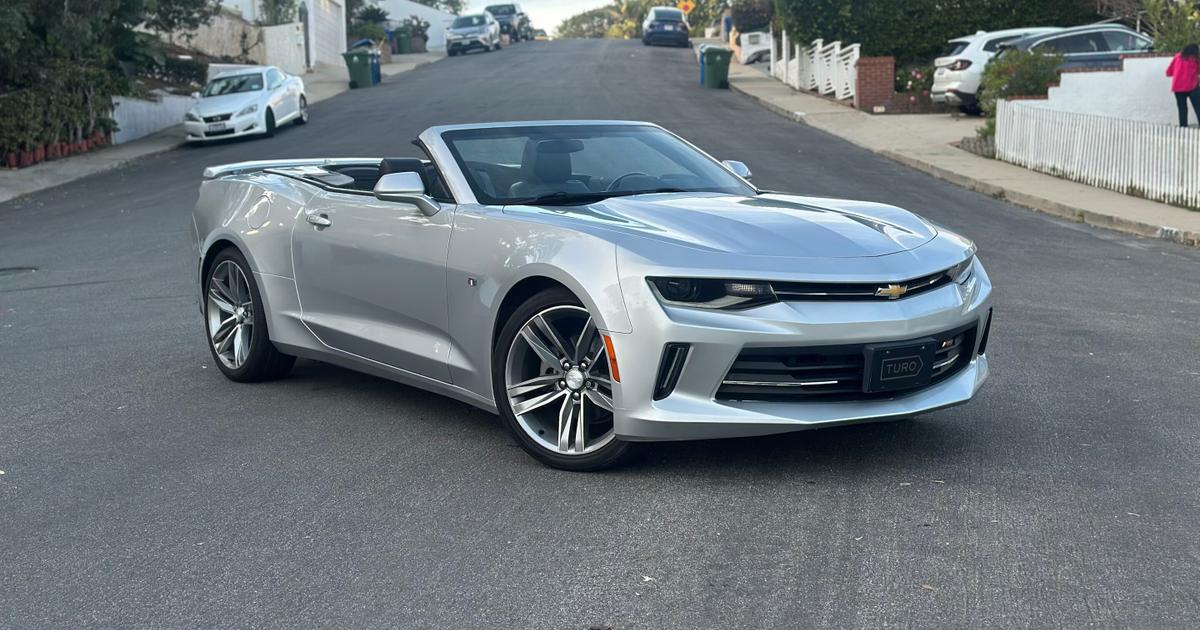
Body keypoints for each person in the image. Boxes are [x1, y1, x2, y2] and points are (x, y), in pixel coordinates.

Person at [1166, 44, 1200, 127]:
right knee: (1198, 107)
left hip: (1178, 87)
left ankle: (1183, 127)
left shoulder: (1177, 57)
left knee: (1182, 109)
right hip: (1192, 86)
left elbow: (1168, 72)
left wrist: (1178, 73)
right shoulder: (1195, 59)